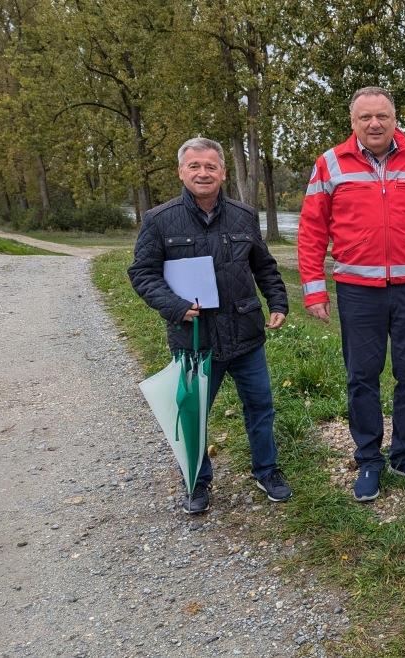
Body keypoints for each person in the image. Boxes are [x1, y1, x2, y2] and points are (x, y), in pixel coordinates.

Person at [298, 86, 405, 502]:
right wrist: (315, 289)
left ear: (394, 119)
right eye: (366, 117)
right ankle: (369, 458)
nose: (374, 124)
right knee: (362, 378)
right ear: (353, 122)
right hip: (357, 292)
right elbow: (312, 229)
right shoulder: (330, 163)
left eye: (382, 116)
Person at [129, 137, 292, 514]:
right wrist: (175, 306)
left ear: (222, 172)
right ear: (181, 172)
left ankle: (266, 471)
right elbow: (142, 273)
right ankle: (197, 481)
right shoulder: (159, 220)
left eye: (210, 166)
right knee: (193, 413)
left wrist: (278, 301)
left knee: (260, 407)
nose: (203, 173)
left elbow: (263, 266)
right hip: (194, 340)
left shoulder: (243, 215)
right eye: (194, 166)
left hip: (246, 334)